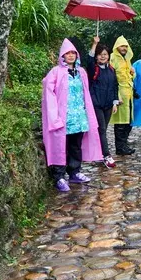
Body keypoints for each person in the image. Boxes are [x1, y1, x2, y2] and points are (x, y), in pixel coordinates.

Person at [41, 38, 103, 191]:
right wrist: (54, 116)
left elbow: (85, 94)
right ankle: (59, 176)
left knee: (76, 146)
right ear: (62, 56)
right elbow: (49, 94)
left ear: (76, 55)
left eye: (73, 53)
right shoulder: (55, 72)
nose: (70, 56)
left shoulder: (81, 72)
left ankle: (74, 172)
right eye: (67, 53)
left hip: (79, 117)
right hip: (63, 117)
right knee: (60, 146)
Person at [81, 35, 119, 169]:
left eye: (105, 54)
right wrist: (94, 44)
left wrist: (115, 102)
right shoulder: (94, 69)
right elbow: (89, 60)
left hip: (108, 104)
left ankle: (99, 152)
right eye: (100, 55)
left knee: (102, 129)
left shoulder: (111, 70)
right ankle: (106, 155)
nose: (103, 57)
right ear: (97, 56)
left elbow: (115, 86)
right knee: (102, 129)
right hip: (96, 103)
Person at [111, 35, 137, 155]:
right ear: (117, 46)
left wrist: (132, 73)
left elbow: (129, 76)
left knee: (128, 121)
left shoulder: (127, 59)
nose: (124, 48)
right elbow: (112, 78)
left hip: (129, 94)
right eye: (122, 46)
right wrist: (116, 96)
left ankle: (124, 145)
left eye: (126, 46)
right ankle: (120, 148)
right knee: (120, 122)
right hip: (120, 93)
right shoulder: (113, 58)